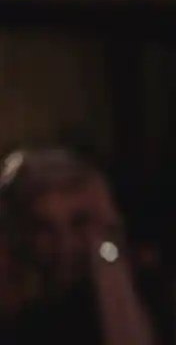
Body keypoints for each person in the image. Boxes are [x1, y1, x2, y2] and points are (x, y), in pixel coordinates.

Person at [0, 147, 159, 345]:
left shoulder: (138, 289)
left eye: (79, 223)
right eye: (45, 228)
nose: (64, 244)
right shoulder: (21, 310)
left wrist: (107, 243)